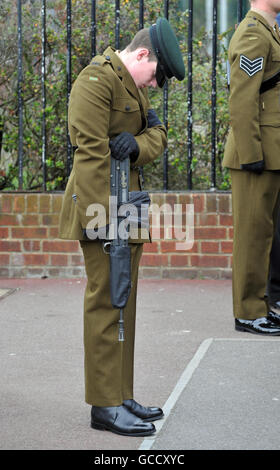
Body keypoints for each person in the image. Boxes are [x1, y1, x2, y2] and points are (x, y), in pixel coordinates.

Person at [58, 18, 185, 436]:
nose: (153, 84)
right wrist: (105, 223)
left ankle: (121, 393)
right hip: (102, 210)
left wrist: (136, 148)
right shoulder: (95, 81)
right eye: (156, 75)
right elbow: (90, 155)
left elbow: (159, 133)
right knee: (106, 302)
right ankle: (104, 405)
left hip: (127, 205)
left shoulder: (129, 84)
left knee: (123, 304)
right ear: (144, 55)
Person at [223, 0, 280, 335]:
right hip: (256, 154)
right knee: (252, 235)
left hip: (270, 151)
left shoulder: (269, 31)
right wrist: (251, 153)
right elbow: (242, 99)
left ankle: (260, 304)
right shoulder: (252, 33)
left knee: (265, 233)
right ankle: (247, 311)